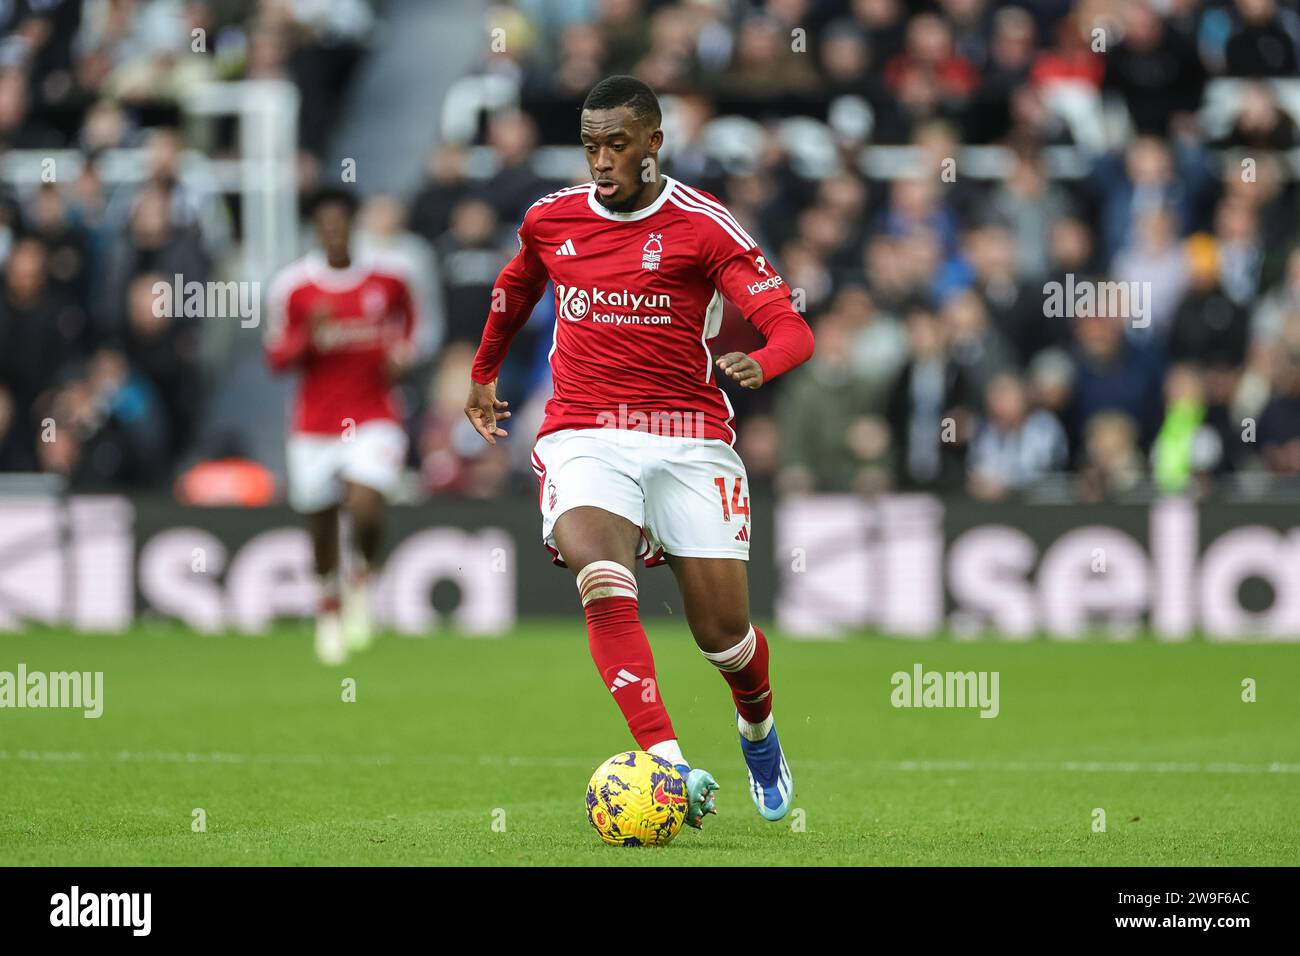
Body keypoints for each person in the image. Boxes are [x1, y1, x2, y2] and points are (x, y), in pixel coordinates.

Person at [465, 76, 814, 828]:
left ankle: (757, 728)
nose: (600, 160)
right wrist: (483, 370)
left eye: (616, 144)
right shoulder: (551, 219)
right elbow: (515, 285)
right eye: (590, 145)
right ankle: (670, 762)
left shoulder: (705, 225)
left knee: (723, 640)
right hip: (583, 431)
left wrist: (766, 361)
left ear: (654, 142)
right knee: (598, 567)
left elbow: (792, 327)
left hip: (689, 438)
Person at [265, 187, 416, 665]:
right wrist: (308, 335)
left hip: (374, 414)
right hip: (315, 423)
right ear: (315, 230)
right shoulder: (294, 287)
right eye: (324, 225)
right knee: (321, 522)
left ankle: (364, 576)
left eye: (341, 224)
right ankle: (329, 605)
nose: (333, 233)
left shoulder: (388, 278)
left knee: (367, 504)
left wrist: (403, 356)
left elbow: (412, 326)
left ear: (353, 226)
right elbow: (277, 358)